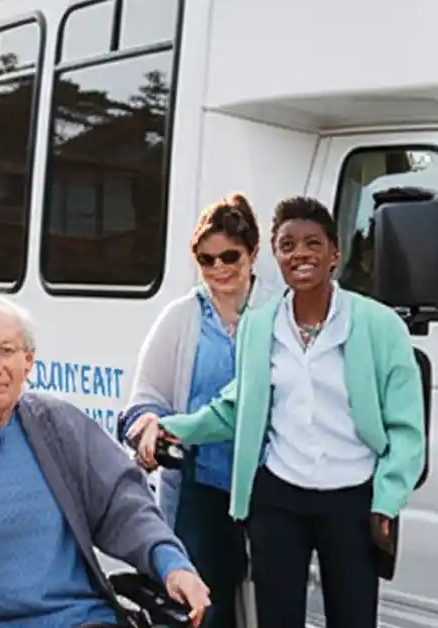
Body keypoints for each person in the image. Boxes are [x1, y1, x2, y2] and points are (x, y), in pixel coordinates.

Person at [155, 195, 427, 628]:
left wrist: (389, 498)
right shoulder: (260, 326)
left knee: (353, 618)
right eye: (287, 244)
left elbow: (407, 428)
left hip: (352, 498)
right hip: (278, 499)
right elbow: (235, 408)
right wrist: (172, 428)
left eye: (312, 243)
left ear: (334, 253)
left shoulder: (379, 327)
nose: (299, 253)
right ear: (276, 256)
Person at [0, 290, 211, 628]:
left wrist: (172, 563)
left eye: (7, 351)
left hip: (81, 619)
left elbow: (125, 505)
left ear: (28, 362)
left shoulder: (59, 425)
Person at [122, 192, 274, 628]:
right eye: (207, 260)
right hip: (199, 487)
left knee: (268, 608)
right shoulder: (181, 318)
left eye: (231, 256)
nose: (220, 268)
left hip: (269, 487)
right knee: (203, 612)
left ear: (253, 253)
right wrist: (147, 425)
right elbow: (144, 397)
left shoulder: (279, 312)